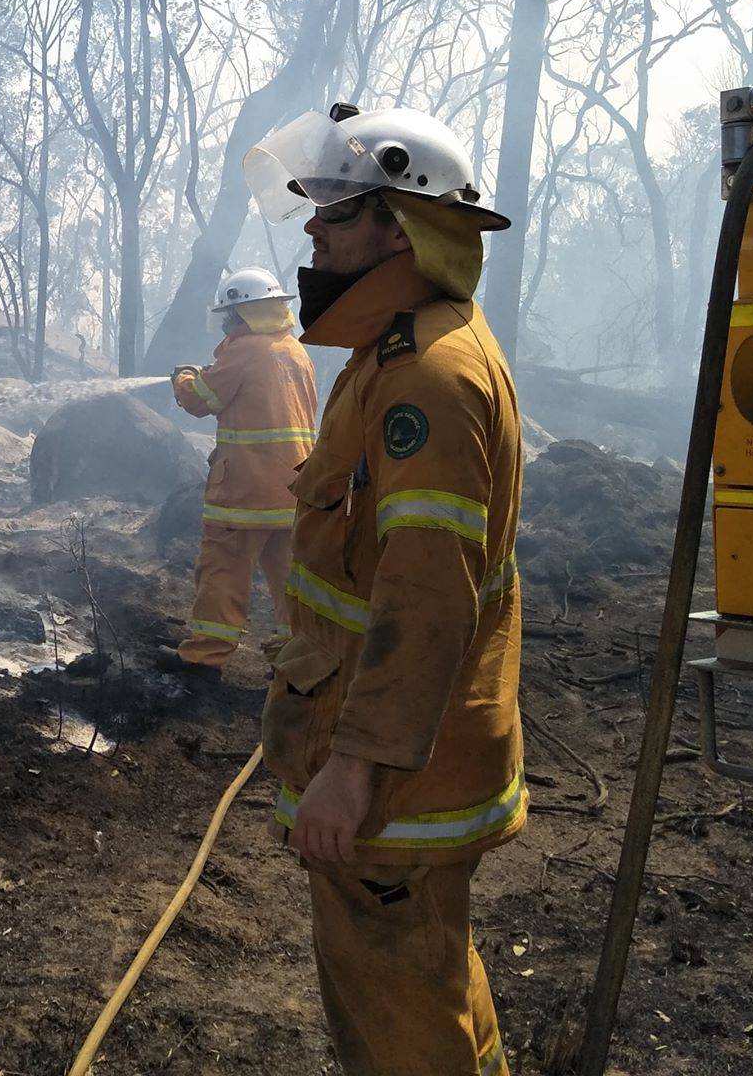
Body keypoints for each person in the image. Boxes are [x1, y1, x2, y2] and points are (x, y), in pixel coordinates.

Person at [244, 103, 524, 1076]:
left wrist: (353, 771)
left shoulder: (425, 379)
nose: (311, 228)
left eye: (335, 209)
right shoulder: (394, 351)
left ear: (398, 228)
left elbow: (425, 593)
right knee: (431, 986)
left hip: (396, 788)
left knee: (398, 1032)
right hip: (415, 763)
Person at [162, 268, 319, 677]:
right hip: (295, 489)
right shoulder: (295, 351)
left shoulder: (246, 350)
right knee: (291, 579)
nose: (227, 324)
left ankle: (204, 657)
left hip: (245, 491)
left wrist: (184, 377)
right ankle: (294, 661)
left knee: (223, 571)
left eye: (231, 315)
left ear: (245, 314)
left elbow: (202, 399)